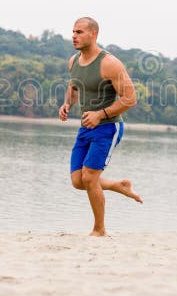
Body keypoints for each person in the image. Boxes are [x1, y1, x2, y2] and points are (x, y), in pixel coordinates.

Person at [59, 16, 142, 237]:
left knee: (90, 177)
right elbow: (74, 87)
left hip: (108, 127)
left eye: (79, 32)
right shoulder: (73, 61)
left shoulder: (109, 64)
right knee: (78, 181)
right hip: (86, 127)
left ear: (93, 34)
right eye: (73, 32)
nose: (74, 36)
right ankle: (119, 186)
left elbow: (130, 98)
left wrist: (100, 114)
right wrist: (67, 103)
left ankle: (99, 230)